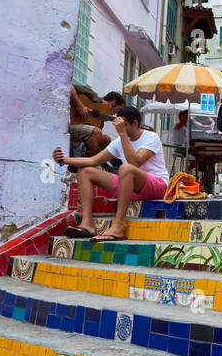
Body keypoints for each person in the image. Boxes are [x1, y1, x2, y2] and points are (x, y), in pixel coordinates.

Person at [52, 105, 171, 241]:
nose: (121, 128)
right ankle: (87, 225)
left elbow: (135, 163)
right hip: (130, 186)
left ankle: (118, 226)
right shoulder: (120, 141)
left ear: (135, 123)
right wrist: (64, 160)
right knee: (85, 172)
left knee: (126, 168)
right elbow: (93, 160)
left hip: (157, 186)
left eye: (124, 125)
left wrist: (122, 134)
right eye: (119, 125)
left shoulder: (151, 137)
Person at [69, 84, 112, 159]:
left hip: (76, 129)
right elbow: (69, 86)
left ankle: (97, 163)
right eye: (118, 110)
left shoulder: (100, 120)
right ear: (113, 103)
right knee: (96, 132)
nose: (114, 113)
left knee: (106, 139)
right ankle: (89, 165)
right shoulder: (90, 94)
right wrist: (80, 106)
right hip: (65, 121)